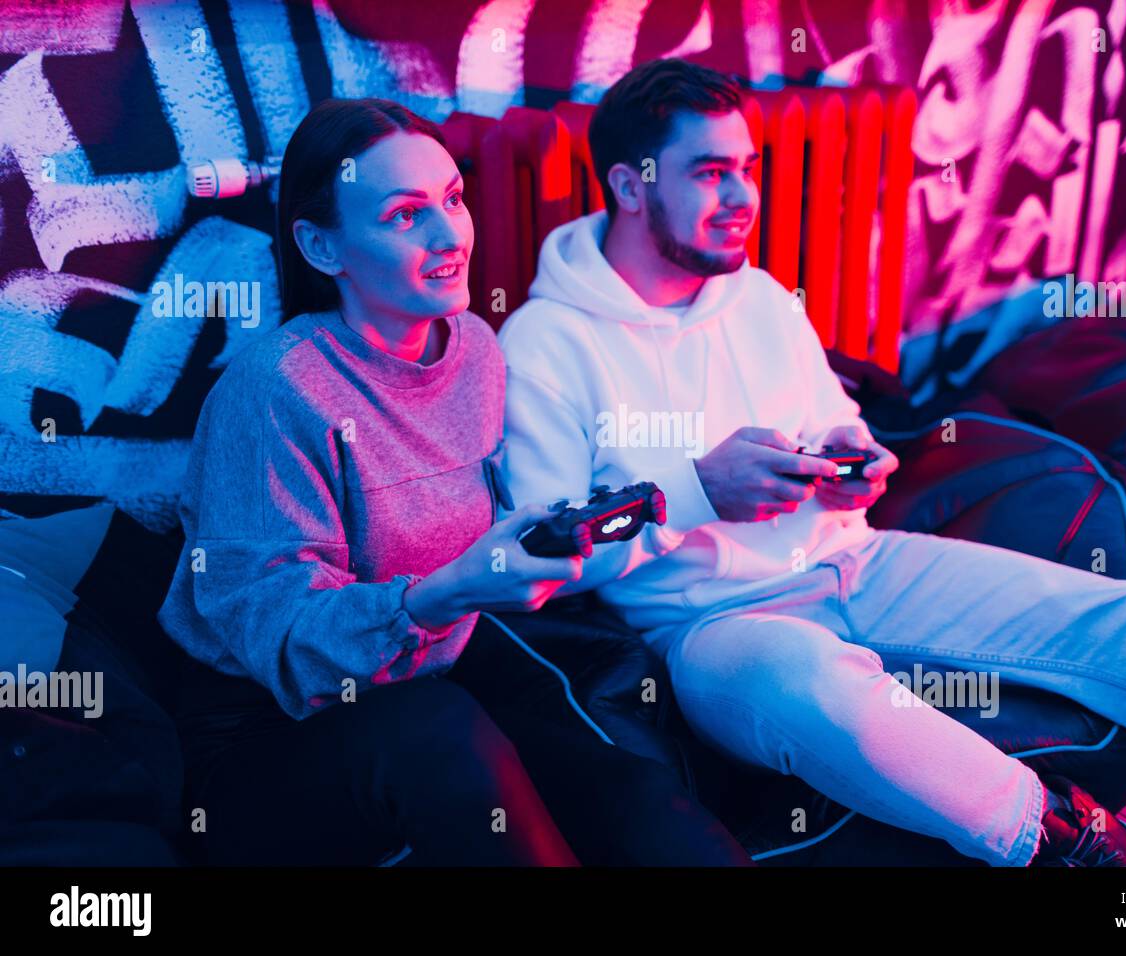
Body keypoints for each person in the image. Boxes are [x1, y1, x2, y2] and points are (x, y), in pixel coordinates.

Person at [498, 58, 1126, 867]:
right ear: (630, 188)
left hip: (861, 561)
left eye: (747, 170)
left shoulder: (762, 298)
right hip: (710, 627)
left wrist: (858, 458)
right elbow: (548, 559)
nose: (743, 198)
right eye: (711, 174)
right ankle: (1064, 843)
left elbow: (835, 421)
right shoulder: (542, 345)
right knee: (803, 679)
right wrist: (699, 490)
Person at [158, 97, 751, 867]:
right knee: (437, 729)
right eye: (405, 216)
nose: (449, 237)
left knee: (623, 788)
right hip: (271, 734)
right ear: (320, 245)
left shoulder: (473, 348)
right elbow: (289, 651)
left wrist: (533, 550)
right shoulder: (275, 392)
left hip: (432, 672)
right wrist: (445, 593)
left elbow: (481, 533)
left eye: (452, 199)